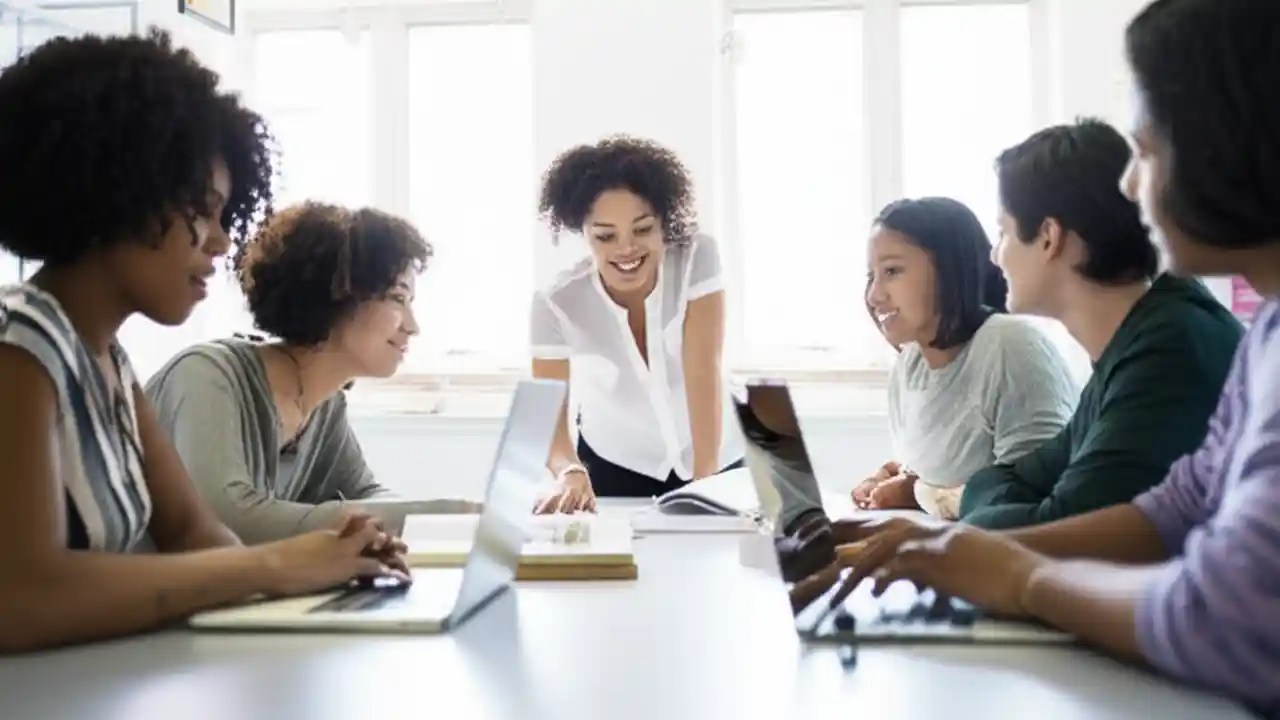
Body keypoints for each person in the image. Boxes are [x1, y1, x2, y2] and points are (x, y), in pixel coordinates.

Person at [788, 0, 1280, 714]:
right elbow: (1173, 506)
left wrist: (1016, 575)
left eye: (1144, 152)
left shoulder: (1175, 339)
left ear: (1228, 138)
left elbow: (1225, 614)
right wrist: (933, 540)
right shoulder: (1258, 334)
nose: (1132, 188)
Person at [0, 31, 407, 653]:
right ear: (121, 191)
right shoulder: (19, 349)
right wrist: (275, 566)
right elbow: (23, 595)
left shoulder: (106, 360)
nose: (220, 242)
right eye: (203, 210)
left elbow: (196, 532)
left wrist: (330, 561)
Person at [953, 118, 1242, 528]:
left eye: (1004, 233)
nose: (995, 256)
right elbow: (1001, 479)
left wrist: (984, 511)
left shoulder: (1168, 351)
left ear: (1049, 238)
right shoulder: (1138, 338)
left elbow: (1059, 536)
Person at [146, 202, 474, 541]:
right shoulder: (207, 376)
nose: (412, 326)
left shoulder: (325, 405)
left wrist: (445, 519)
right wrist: (456, 513)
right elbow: (228, 518)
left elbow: (367, 493)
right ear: (336, 294)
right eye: (397, 298)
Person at [530, 136, 743, 512]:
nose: (626, 249)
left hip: (716, 456)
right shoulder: (555, 302)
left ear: (665, 222)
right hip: (615, 464)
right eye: (605, 236)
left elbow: (702, 369)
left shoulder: (697, 257)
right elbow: (547, 414)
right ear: (585, 234)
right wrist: (569, 470)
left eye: (643, 229)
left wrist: (706, 483)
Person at [854, 197, 1081, 518]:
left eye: (892, 271)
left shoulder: (1011, 346)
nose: (874, 296)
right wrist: (889, 475)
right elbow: (932, 472)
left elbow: (1033, 497)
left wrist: (917, 494)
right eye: (870, 277)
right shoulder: (910, 365)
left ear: (950, 269)